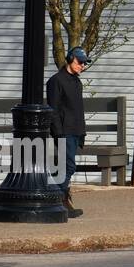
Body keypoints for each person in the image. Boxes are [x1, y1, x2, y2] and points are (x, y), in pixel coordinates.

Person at [47, 47, 90, 218]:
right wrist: (58, 132)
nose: (82, 65)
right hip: (64, 130)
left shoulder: (76, 82)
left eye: (84, 63)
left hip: (75, 130)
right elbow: (53, 109)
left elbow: (78, 109)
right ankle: (58, 199)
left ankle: (60, 199)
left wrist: (82, 133)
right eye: (79, 62)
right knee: (68, 166)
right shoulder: (56, 81)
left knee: (67, 166)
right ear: (70, 59)